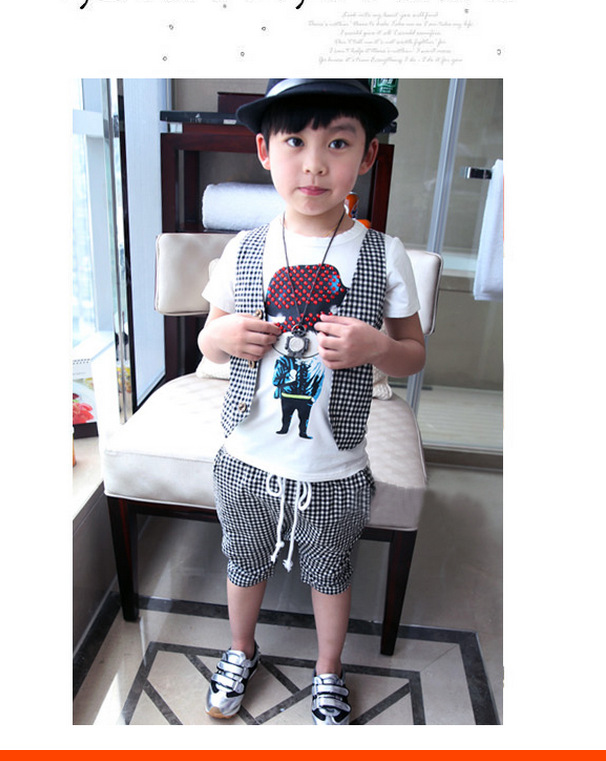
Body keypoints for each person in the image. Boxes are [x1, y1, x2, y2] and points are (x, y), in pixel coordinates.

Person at [197, 79, 425, 725]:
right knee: (243, 560)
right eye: (295, 142)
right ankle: (240, 648)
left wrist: (377, 346)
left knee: (331, 571)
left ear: (368, 155)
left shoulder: (383, 254)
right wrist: (221, 336)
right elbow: (208, 339)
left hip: (335, 464)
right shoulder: (244, 249)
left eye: (338, 143)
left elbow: (412, 355)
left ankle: (328, 667)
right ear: (264, 152)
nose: (315, 163)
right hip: (245, 455)